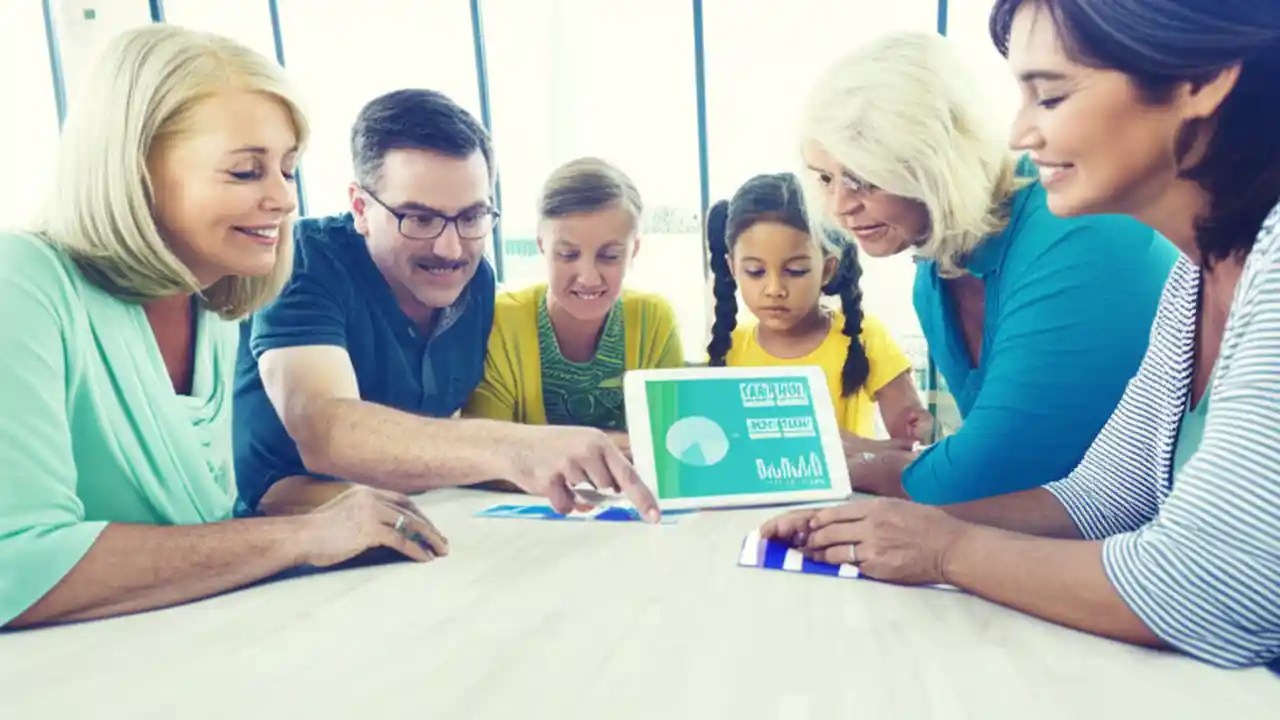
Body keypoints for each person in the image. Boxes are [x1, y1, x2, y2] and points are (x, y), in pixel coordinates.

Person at [762, 0, 1280, 670]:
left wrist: (946, 550)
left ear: (1201, 80)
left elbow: (1207, 591)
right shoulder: (1194, 280)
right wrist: (887, 528)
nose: (1018, 132)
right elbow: (1101, 497)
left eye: (1052, 96)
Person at [0, 26, 450, 629]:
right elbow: (15, 565)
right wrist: (301, 537)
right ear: (134, 172)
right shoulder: (21, 280)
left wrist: (325, 517)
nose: (284, 200)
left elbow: (203, 531)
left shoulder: (211, 307)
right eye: (245, 172)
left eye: (287, 170)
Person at [233, 91, 658, 520]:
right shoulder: (304, 259)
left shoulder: (477, 282)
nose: (451, 249)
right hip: (283, 525)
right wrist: (517, 446)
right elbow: (326, 432)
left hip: (430, 517)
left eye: (471, 217)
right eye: (420, 219)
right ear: (361, 208)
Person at [798, 31, 1178, 503]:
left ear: (937, 161)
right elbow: (996, 465)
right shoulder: (932, 281)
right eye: (825, 177)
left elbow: (995, 473)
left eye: (864, 177)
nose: (840, 205)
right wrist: (884, 459)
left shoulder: (1074, 224)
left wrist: (877, 463)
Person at [464, 157, 683, 452]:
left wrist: (539, 448)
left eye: (610, 256)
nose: (588, 278)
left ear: (634, 250)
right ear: (541, 245)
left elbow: (670, 445)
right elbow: (487, 449)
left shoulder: (654, 320)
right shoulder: (500, 319)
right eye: (567, 255)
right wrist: (615, 447)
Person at [705, 172, 925, 444]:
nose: (774, 289)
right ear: (732, 268)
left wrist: (916, 429)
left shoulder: (863, 336)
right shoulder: (729, 348)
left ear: (827, 270)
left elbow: (911, 438)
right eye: (755, 271)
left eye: (796, 271)